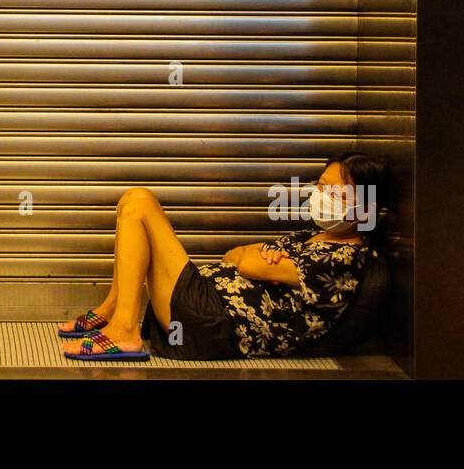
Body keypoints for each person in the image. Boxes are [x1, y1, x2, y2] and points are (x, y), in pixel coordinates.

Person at [58, 152, 386, 361]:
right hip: (204, 306)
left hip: (214, 323)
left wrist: (258, 259)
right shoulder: (310, 237)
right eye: (320, 187)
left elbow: (247, 262)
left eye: (334, 193)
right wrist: (258, 261)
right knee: (131, 205)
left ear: (365, 208)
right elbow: (236, 255)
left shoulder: (342, 259)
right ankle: (112, 311)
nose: (320, 197)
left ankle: (125, 330)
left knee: (139, 202)